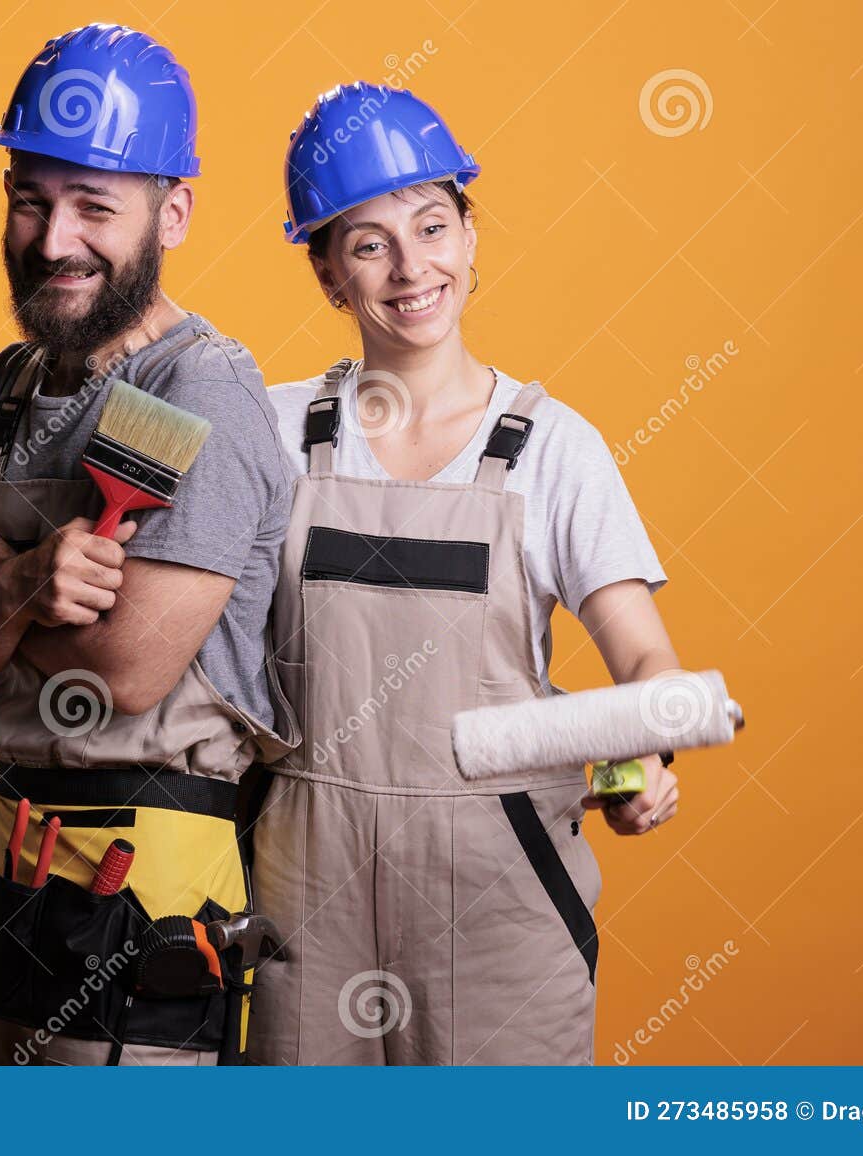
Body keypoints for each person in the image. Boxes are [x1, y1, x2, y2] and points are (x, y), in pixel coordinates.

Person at [247, 82, 683, 1065]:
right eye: (368, 244)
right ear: (325, 272)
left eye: (432, 226)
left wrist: (635, 764)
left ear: (470, 235)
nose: (412, 268)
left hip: (500, 906)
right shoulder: (270, 435)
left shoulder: (553, 450)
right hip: (303, 907)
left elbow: (645, 662)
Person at [0, 23, 295, 1065]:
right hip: (13, 859)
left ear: (175, 212)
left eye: (94, 206)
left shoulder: (194, 387)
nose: (55, 236)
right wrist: (24, 573)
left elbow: (125, 666)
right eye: (32, 198)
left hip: (147, 870)